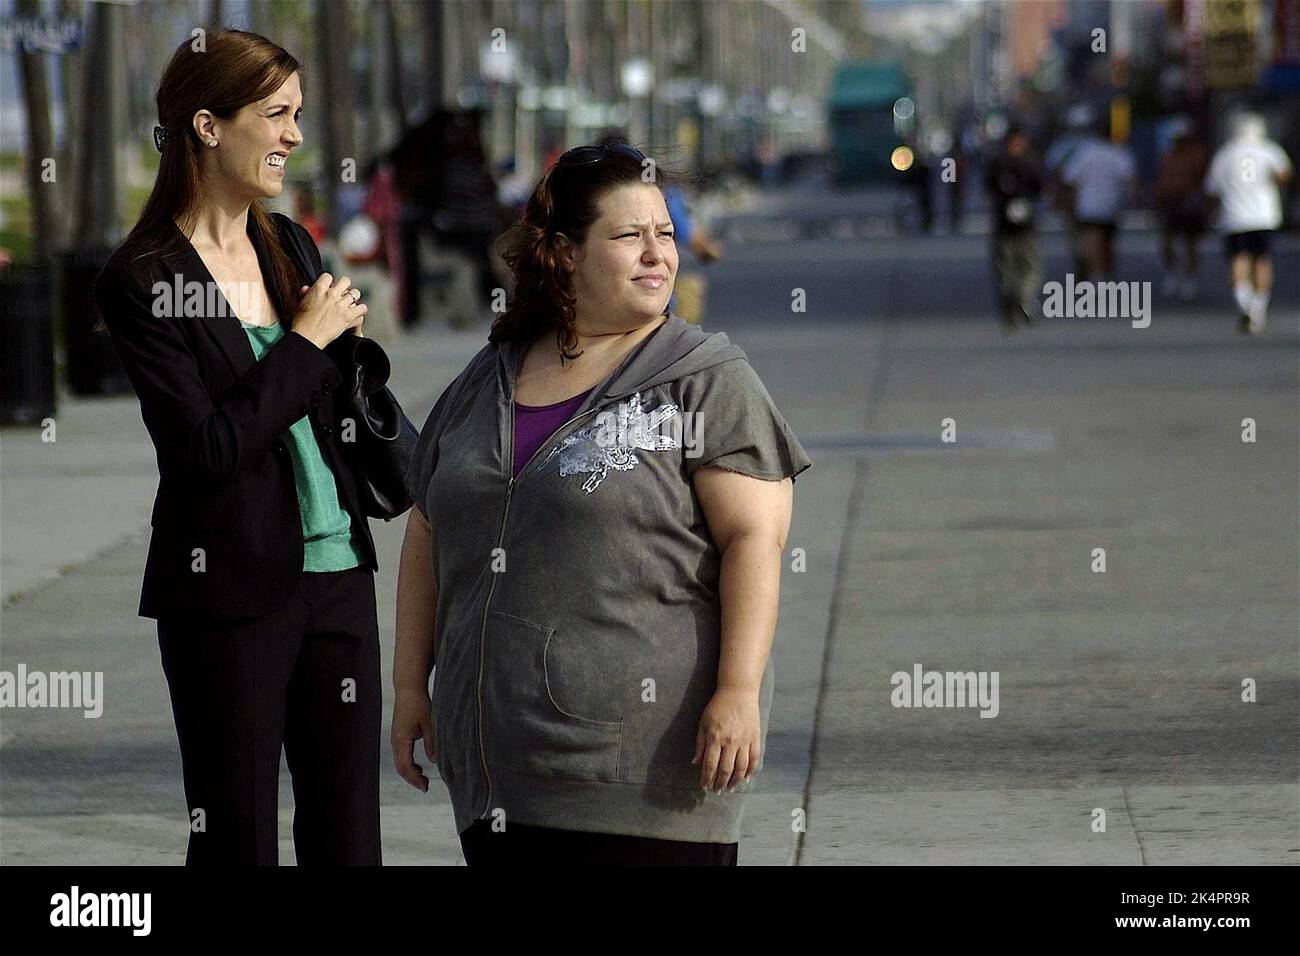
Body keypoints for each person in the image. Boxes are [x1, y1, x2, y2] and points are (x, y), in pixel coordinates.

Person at [393, 142, 812, 866]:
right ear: (563, 254)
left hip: (650, 783)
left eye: (666, 235)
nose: (657, 255)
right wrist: (409, 686)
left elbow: (755, 541)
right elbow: (428, 527)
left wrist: (738, 692)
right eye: (629, 236)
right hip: (497, 782)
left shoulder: (707, 381)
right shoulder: (485, 379)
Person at [92, 30, 383, 865]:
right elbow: (205, 452)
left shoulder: (286, 243)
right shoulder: (141, 276)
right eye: (276, 114)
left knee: (349, 841)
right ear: (208, 125)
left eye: (298, 115)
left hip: (339, 579)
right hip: (225, 590)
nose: (294, 135)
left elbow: (322, 403)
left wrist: (341, 347)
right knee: (235, 836)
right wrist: (303, 343)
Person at [1204, 112, 1294, 334]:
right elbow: (1285, 174)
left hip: (1234, 216)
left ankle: (1244, 304)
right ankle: (1258, 309)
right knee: (1262, 261)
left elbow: (1211, 187)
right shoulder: (1269, 149)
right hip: (1264, 215)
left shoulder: (1226, 153)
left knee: (1239, 260)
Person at [984, 125, 1043, 331]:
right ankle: (1018, 302)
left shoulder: (999, 163)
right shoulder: (1029, 163)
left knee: (1023, 268)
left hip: (1021, 228)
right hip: (1007, 228)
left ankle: (1019, 301)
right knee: (1011, 270)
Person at [1061, 124, 1136, 281]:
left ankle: (1098, 275)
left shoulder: (1085, 153)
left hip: (1089, 205)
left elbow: (1069, 178)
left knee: (1093, 242)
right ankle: (1101, 274)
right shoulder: (1119, 153)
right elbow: (1130, 179)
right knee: (1106, 242)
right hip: (1110, 205)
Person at [1153, 119, 1210, 300]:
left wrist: (1204, 203)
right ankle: (1172, 271)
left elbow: (1204, 181)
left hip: (1189, 203)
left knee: (1190, 243)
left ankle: (1190, 277)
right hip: (1170, 203)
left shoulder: (1196, 156)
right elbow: (1161, 180)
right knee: (1165, 242)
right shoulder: (1167, 157)